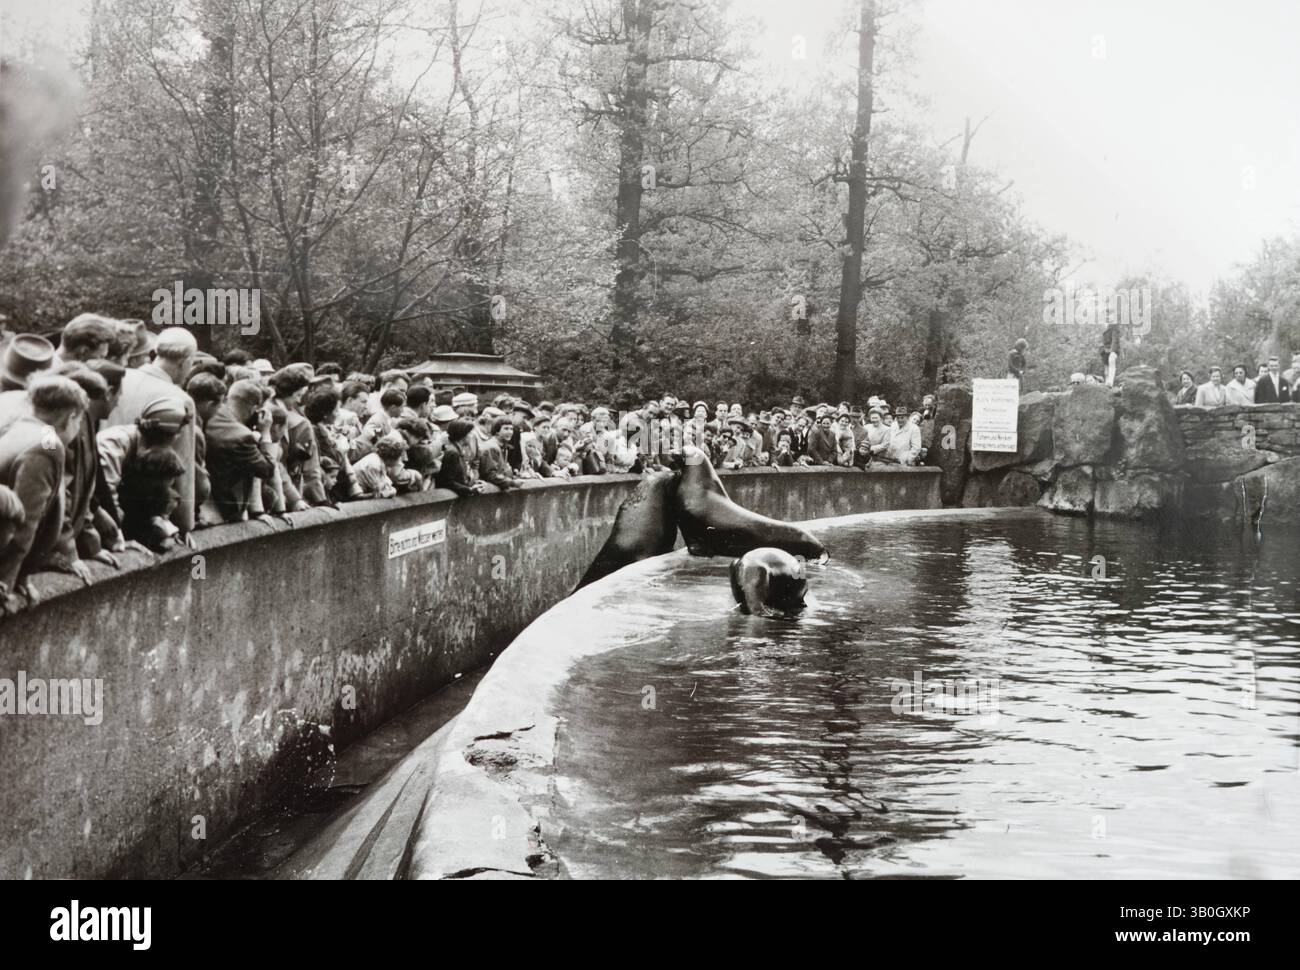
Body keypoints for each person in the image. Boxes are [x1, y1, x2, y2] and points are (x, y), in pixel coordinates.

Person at [0, 375, 87, 606]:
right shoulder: (47, 445)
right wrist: (6, 584)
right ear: (71, 417)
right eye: (79, 422)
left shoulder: (24, 427)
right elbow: (25, 524)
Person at [106, 326, 198, 532]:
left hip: (103, 498)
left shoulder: (120, 378)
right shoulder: (180, 399)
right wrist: (185, 524)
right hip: (144, 506)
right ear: (185, 362)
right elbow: (182, 464)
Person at [203, 379, 277, 523]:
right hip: (222, 507)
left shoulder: (213, 414)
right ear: (255, 409)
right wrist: (266, 433)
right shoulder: (242, 436)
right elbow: (267, 469)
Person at [435, 419, 487, 496]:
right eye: (469, 433)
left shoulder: (458, 450)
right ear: (463, 435)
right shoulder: (452, 453)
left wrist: (474, 483)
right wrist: (469, 490)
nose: (472, 436)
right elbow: (447, 481)